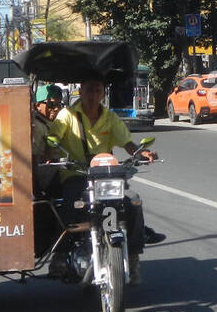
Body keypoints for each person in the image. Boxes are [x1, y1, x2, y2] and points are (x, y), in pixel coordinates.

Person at [47, 75, 163, 283]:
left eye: (97, 90)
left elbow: (126, 142)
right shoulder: (67, 115)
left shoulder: (110, 117)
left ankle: (134, 256)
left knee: (132, 201)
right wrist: (50, 153)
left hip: (105, 175)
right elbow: (53, 142)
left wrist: (141, 152)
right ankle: (60, 255)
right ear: (80, 91)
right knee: (69, 204)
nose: (93, 95)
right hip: (77, 174)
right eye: (89, 90)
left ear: (103, 94)